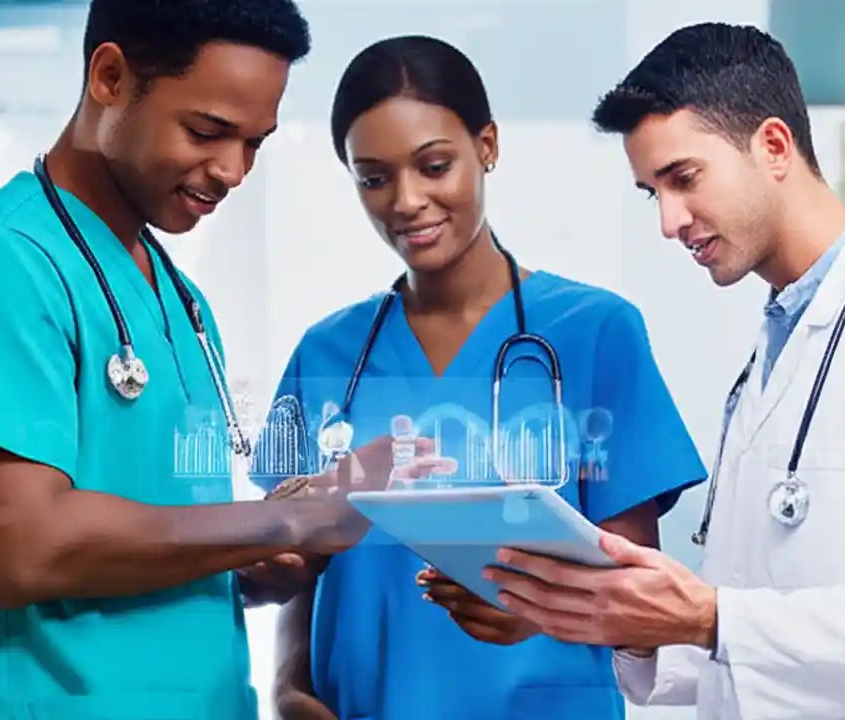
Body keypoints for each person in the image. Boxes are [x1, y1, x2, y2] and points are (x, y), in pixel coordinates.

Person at [0, 3, 453, 718]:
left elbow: (163, 536)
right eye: (206, 131)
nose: (232, 170)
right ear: (109, 77)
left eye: (255, 142)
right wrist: (283, 523)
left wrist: (261, 559)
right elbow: (24, 550)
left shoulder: (180, 299)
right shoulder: (0, 261)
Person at [486, 22, 845, 720]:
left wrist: (712, 617)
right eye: (653, 192)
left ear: (773, 146)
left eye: (683, 179)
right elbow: (748, 619)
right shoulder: (781, 339)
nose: (669, 221)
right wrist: (622, 621)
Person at [251, 35, 707, 720]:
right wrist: (289, 687)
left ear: (486, 146)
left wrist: (536, 614)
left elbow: (637, 585)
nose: (406, 201)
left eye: (434, 165)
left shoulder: (596, 332)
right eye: (373, 178)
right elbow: (298, 570)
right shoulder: (327, 353)